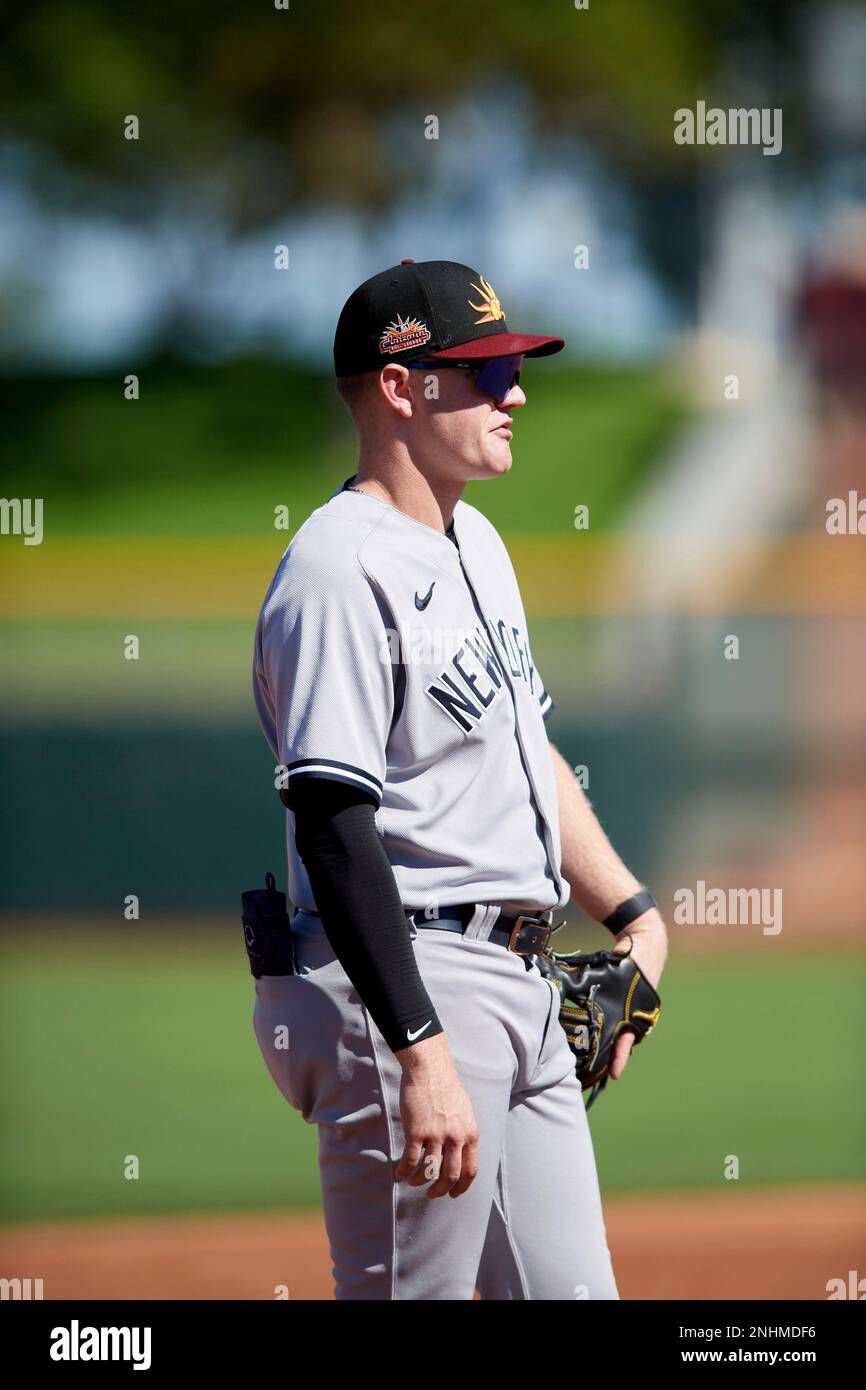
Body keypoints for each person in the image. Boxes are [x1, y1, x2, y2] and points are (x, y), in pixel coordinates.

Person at [251, 258, 668, 1300]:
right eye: (481, 372)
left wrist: (631, 912)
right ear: (400, 387)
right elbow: (334, 826)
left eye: (511, 367)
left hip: (519, 983)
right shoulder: (336, 569)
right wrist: (417, 1050)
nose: (513, 392)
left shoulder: (474, 541)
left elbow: (526, 755)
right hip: (407, 987)